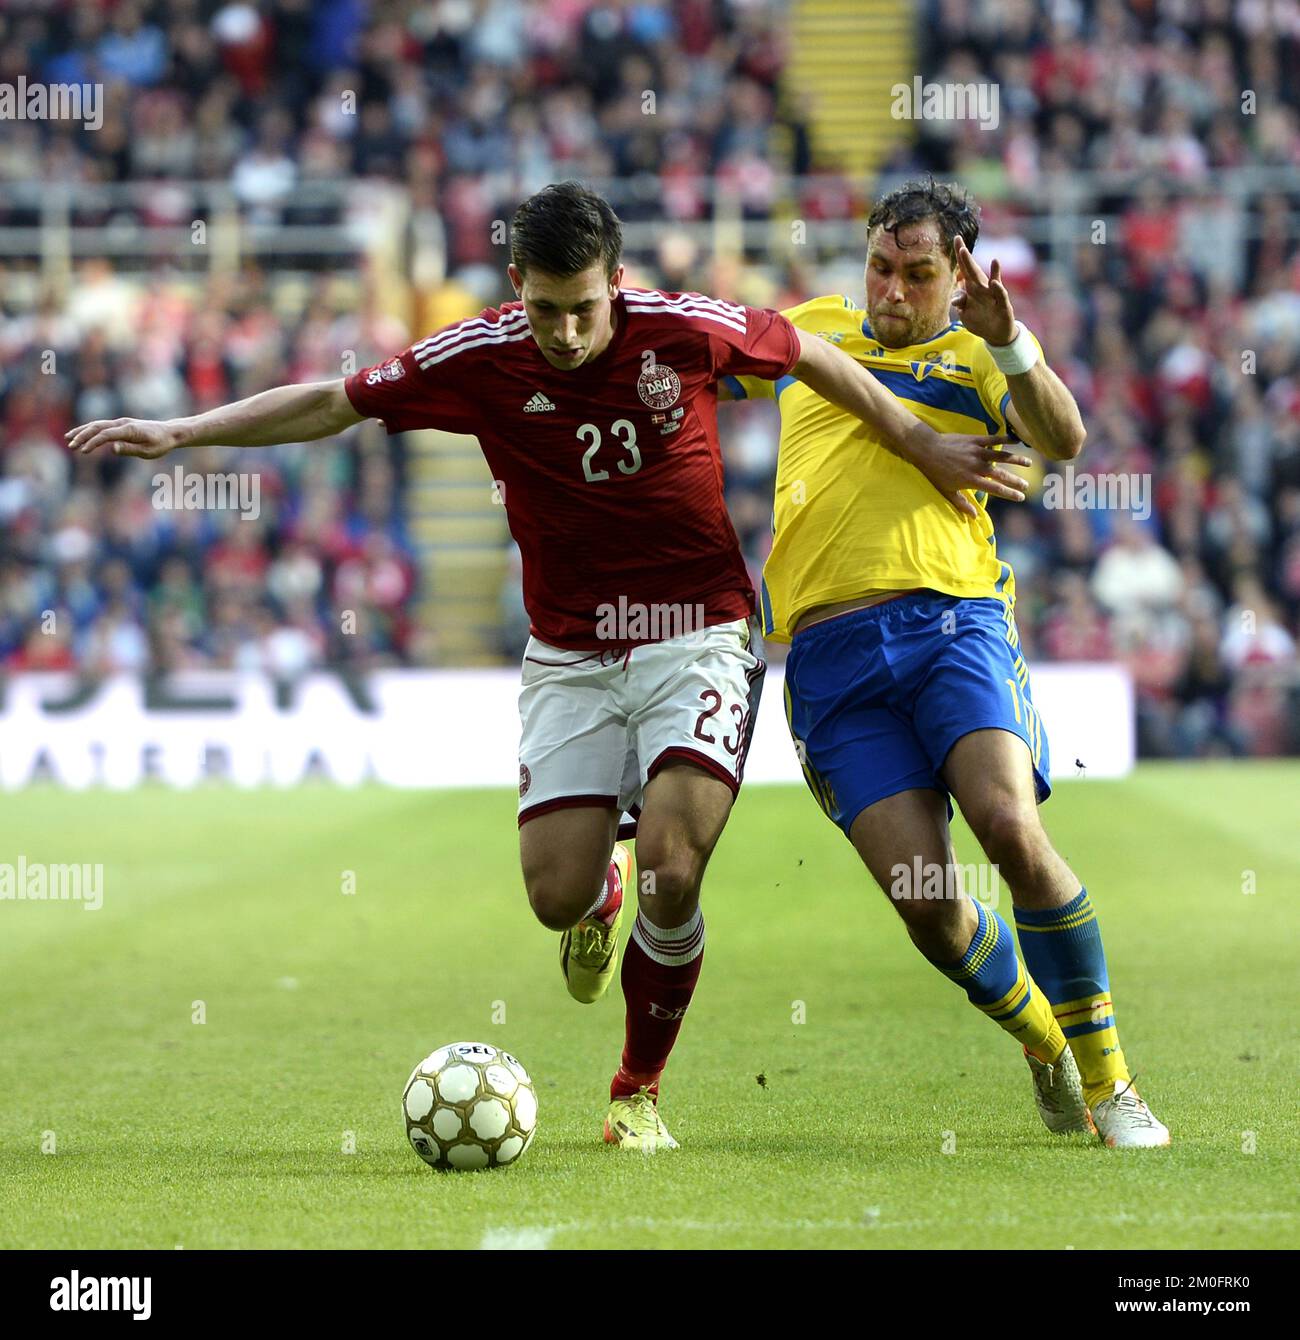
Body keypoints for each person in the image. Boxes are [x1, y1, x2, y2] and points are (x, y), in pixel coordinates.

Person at [67, 181, 1022, 1151]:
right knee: (554, 895)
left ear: (617, 280)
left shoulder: (682, 328)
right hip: (568, 651)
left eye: (585, 308)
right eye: (545, 308)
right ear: (517, 283)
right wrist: (185, 432)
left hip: (699, 632)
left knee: (672, 867)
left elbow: (810, 350)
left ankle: (634, 1090)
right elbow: (331, 400)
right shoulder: (477, 355)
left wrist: (915, 439)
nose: (565, 332)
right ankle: (595, 896)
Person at [720, 178, 1169, 1148]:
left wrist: (1010, 338)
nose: (890, 291)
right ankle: (1044, 1040)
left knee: (1008, 824)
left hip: (951, 621)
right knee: (929, 906)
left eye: (917, 274)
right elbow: (696, 366)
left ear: (957, 271)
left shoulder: (979, 351)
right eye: (880, 266)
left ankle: (1112, 1081)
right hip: (829, 657)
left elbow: (1063, 439)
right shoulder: (811, 328)